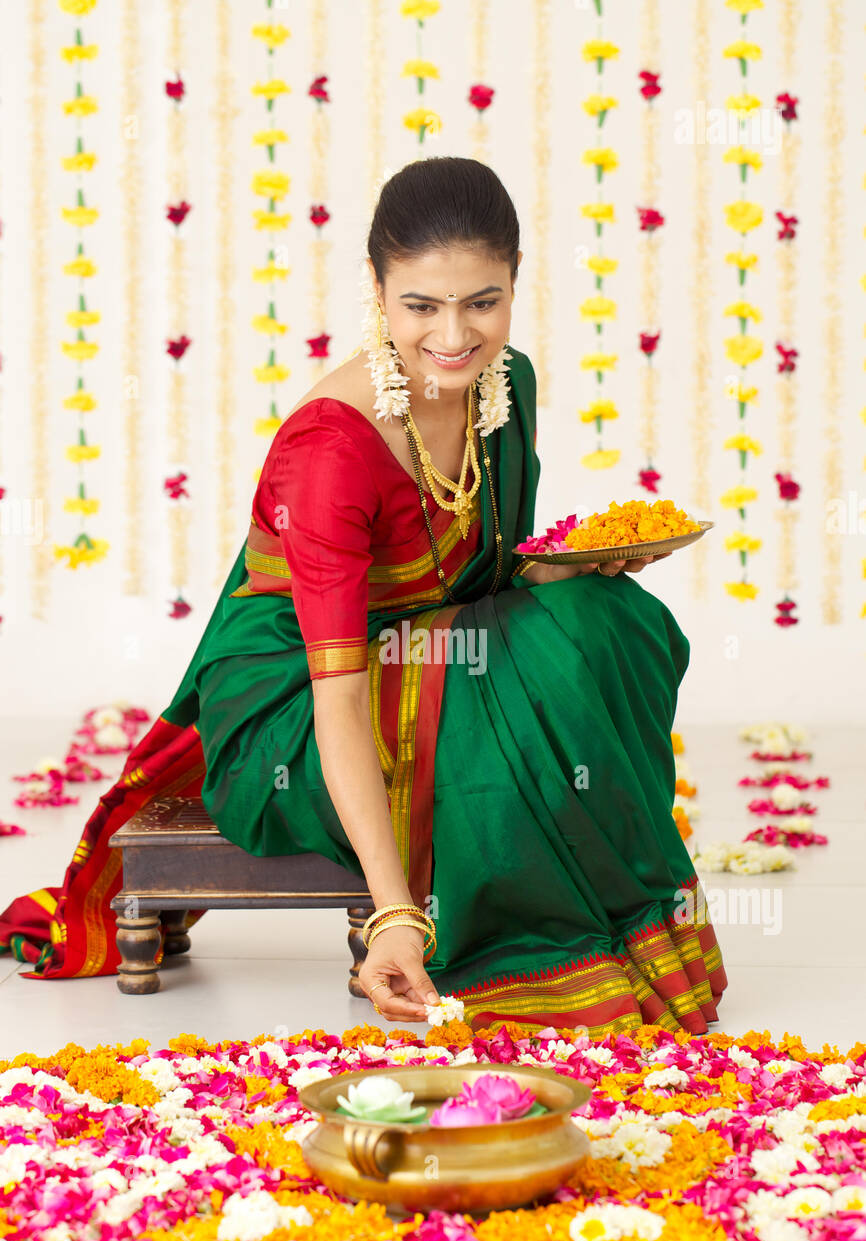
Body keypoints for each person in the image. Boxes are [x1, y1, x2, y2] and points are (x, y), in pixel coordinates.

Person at [0, 156, 727, 1038]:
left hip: (424, 648)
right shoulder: (332, 450)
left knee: (612, 622)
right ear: (377, 291)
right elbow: (340, 697)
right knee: (545, 654)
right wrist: (393, 914)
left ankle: (624, 914)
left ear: (515, 284)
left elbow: (490, 579)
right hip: (297, 709)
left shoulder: (507, 386)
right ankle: (535, 950)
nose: (454, 335)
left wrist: (577, 570)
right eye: (421, 305)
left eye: (481, 302)